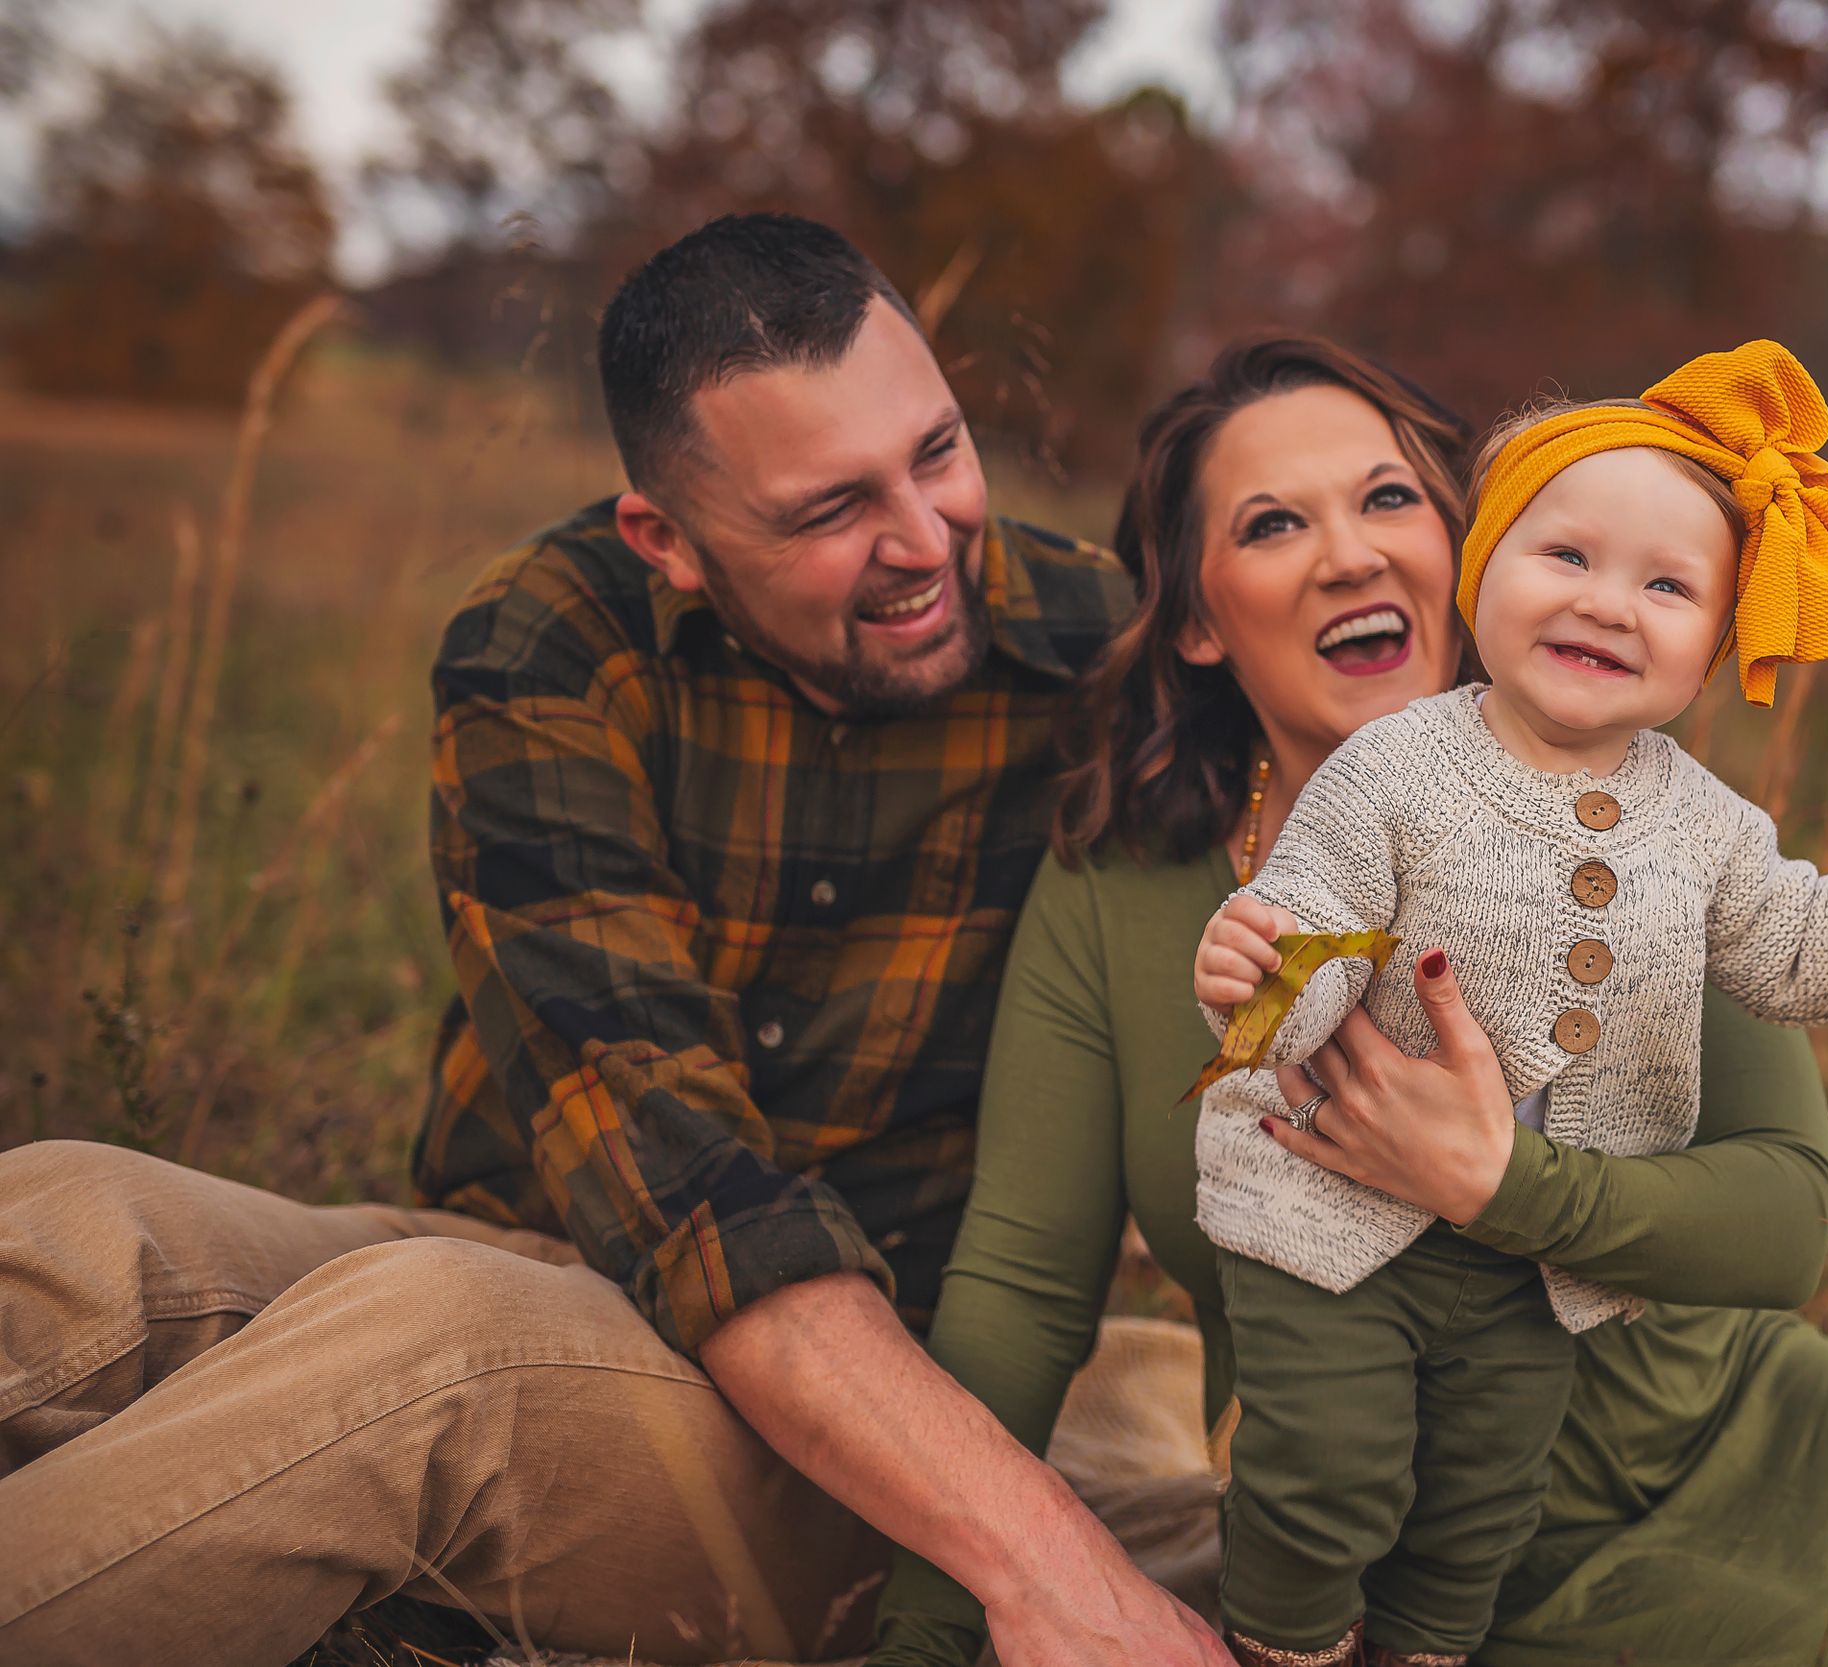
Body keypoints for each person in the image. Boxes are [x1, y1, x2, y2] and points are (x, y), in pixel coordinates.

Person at [869, 334, 1828, 1667]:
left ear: (1466, 544)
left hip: (1731, 1428)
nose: (1347, 556)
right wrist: (933, 1636)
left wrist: (1500, 1182)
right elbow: (1018, 1286)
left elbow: (1781, 1217)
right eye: (1271, 525)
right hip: (1405, 1562)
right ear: (1196, 617)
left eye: (1388, 498)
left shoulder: (1635, 830)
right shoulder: (1122, 888)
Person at [0, 213, 1231, 1667]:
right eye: (829, 510)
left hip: (890, 1399)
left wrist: (1044, 1568)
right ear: (671, 540)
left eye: (939, 453)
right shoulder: (551, 642)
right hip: (545, 1253)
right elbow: (674, 1174)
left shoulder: (1114, 656)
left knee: (432, 1349)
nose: (924, 543)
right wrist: (1051, 1572)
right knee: (59, 1219)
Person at [1187, 342, 1828, 1666]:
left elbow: (1801, 955)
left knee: (1480, 1505)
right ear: (1484, 579)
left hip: (1532, 1270)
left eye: (1668, 585)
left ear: (1715, 645)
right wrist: (1264, 981)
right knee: (1329, 1472)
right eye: (1566, 557)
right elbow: (1317, 913)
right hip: (1327, 1210)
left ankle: (1420, 1650)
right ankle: (1280, 1643)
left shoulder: (1707, 829)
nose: (1611, 604)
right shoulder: (1396, 763)